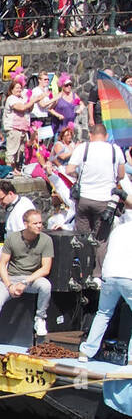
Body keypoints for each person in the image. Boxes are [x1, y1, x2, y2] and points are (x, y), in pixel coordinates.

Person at [0, 209, 53, 346]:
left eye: (40, 223)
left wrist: (25, 282)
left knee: (46, 286)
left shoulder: (46, 240)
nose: (39, 226)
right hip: (11, 278)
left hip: (31, 279)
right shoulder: (12, 238)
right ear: (26, 224)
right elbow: (2, 264)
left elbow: (45, 269)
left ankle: (40, 318)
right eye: (35, 223)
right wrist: (9, 285)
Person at [66, 124, 127, 280]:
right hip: (105, 201)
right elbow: (121, 174)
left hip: (84, 199)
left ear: (91, 135)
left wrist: (80, 176)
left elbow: (69, 170)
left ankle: (82, 272)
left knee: (82, 236)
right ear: (106, 136)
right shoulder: (116, 150)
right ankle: (97, 275)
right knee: (101, 239)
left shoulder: (82, 148)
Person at [78, 219, 132, 361]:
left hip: (109, 274)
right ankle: (131, 358)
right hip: (128, 276)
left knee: (103, 313)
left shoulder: (118, 229)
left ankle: (86, 351)